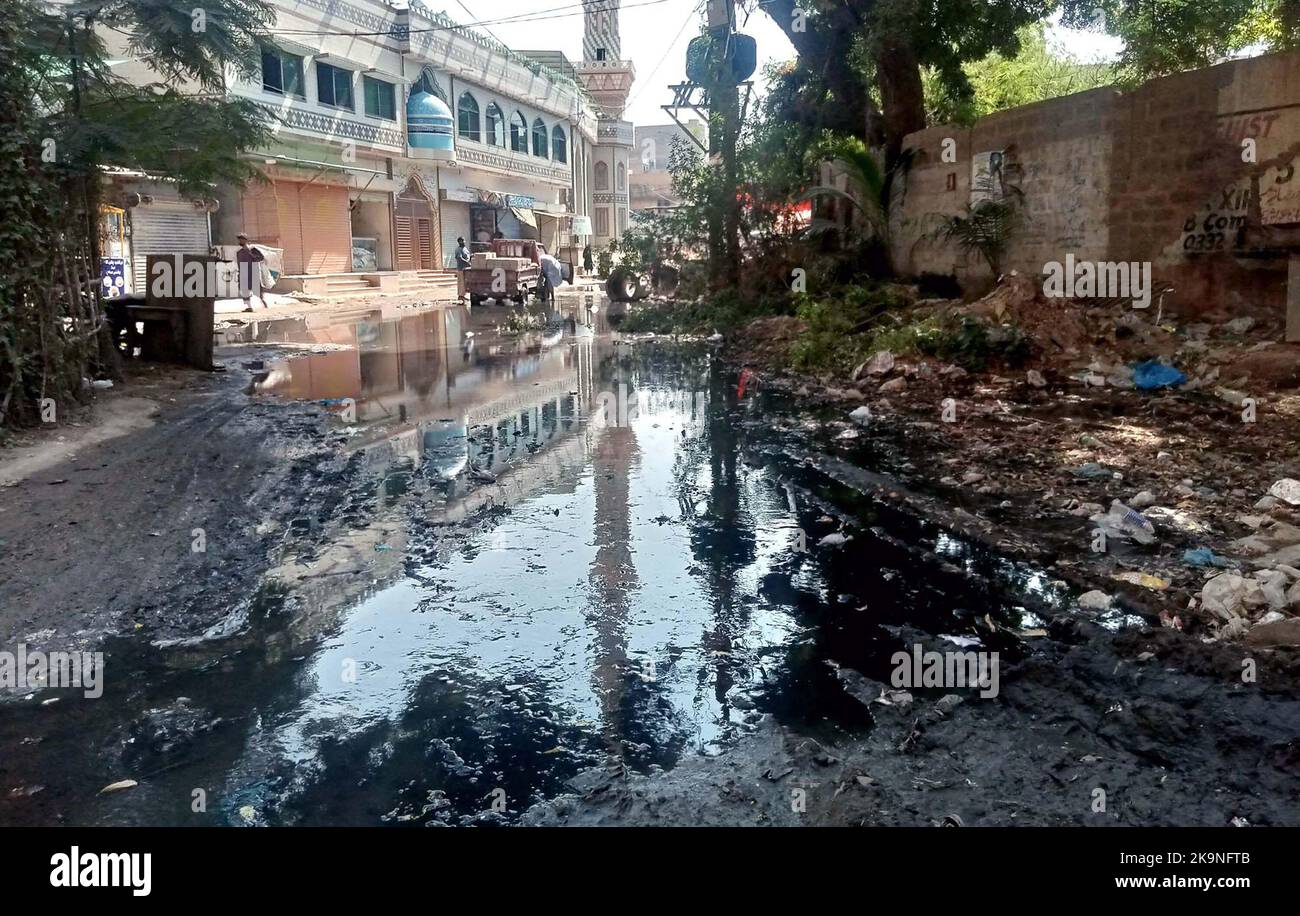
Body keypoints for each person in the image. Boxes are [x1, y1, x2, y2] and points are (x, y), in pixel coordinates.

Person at [235, 233, 265, 312]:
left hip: (253, 272)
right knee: (244, 290)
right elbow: (239, 264)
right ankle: (249, 307)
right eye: (239, 239)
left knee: (257, 290)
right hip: (243, 274)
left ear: (246, 240)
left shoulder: (253, 250)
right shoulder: (239, 253)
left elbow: (261, 258)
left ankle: (263, 302)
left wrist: (251, 254)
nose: (240, 241)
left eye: (241, 239)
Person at [454, 236, 471, 301]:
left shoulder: (465, 248)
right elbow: (460, 258)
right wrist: (468, 262)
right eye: (462, 241)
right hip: (461, 269)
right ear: (459, 242)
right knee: (461, 283)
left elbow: (467, 256)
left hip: (466, 269)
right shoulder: (458, 249)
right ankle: (460, 296)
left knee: (465, 283)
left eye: (464, 240)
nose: (464, 242)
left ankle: (463, 295)